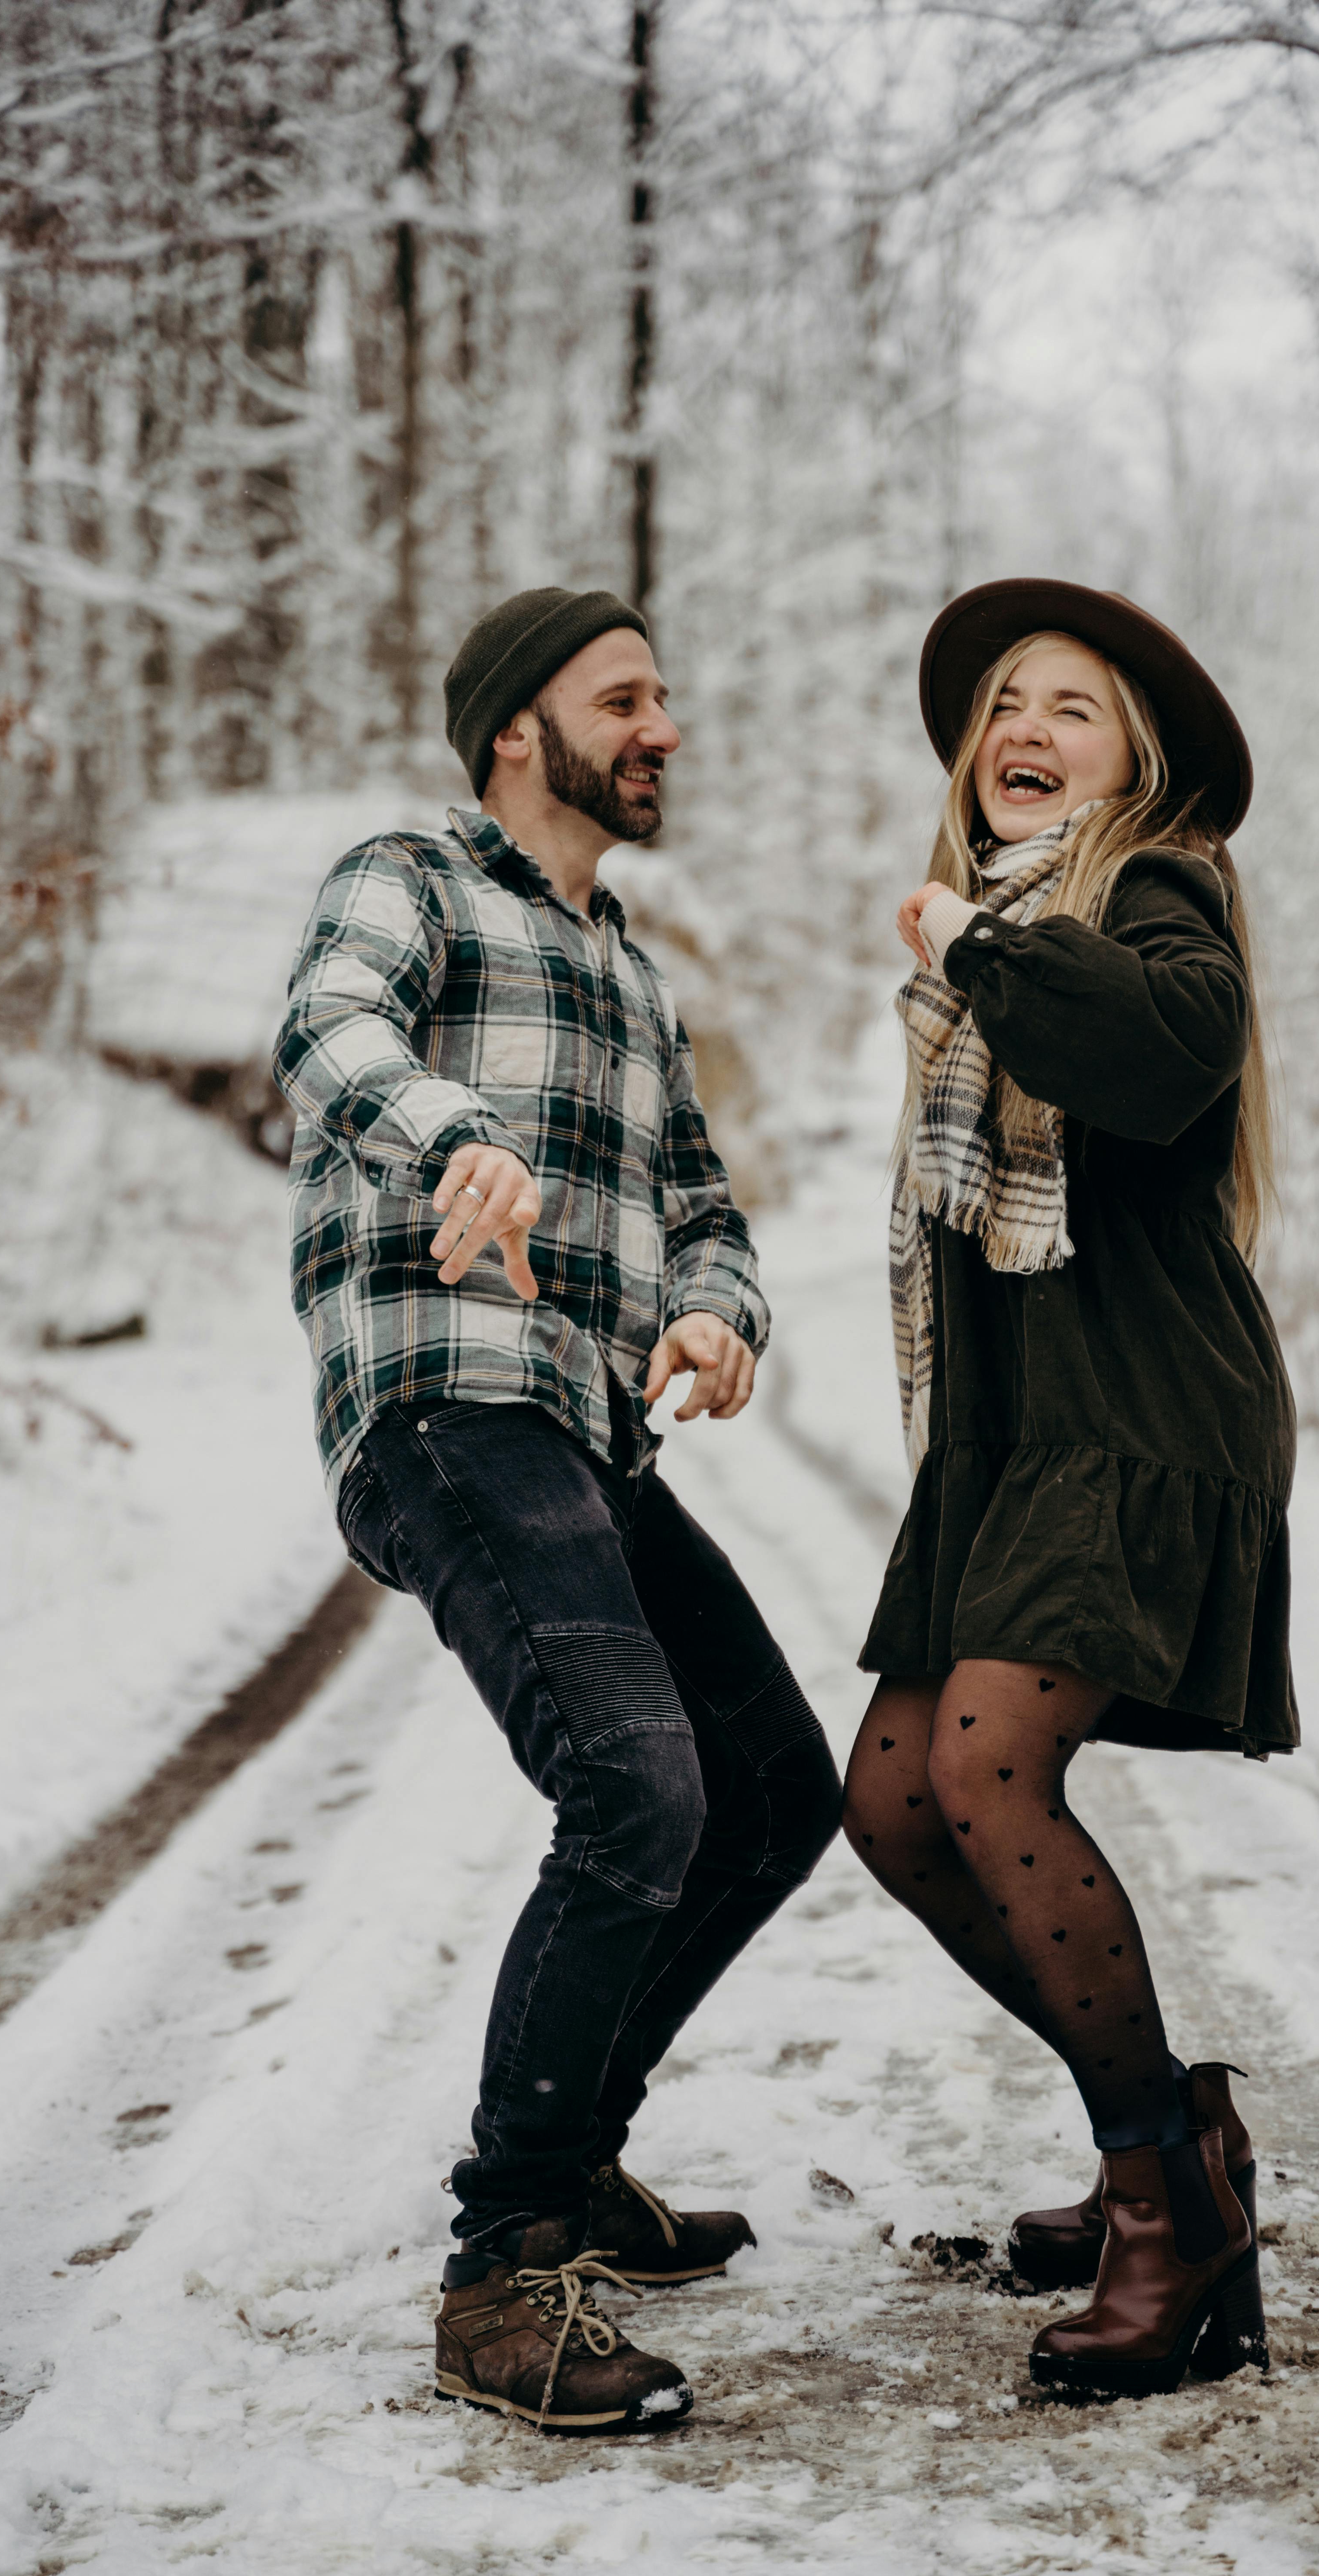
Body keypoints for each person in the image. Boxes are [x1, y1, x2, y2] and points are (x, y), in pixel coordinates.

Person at [274, 585, 842, 2435]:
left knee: (770, 1789)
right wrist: (457, 1136)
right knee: (636, 1781)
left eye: (668, 694)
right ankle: (506, 2266)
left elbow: (707, 1200)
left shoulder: (631, 967)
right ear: (522, 725)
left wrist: (711, 1305)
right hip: (446, 1400)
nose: (665, 724)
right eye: (628, 696)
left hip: (587, 1432)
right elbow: (327, 1023)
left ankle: (576, 2156)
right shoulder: (411, 877)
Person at [844, 579, 1296, 2404]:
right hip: (1018, 1437)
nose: (1026, 728)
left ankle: (1161, 2214)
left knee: (984, 1768)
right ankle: (1175, 2135)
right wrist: (972, 951)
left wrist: (978, 945)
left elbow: (1157, 1055)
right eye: (1006, 705)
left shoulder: (1152, 891)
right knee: (893, 1804)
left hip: (1140, 1408)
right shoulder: (996, 945)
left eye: (1076, 709)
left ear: (1137, 764)